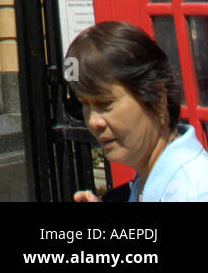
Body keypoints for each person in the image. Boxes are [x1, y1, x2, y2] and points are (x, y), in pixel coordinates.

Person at [65, 20, 208, 202]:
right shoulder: (147, 184)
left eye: (106, 103)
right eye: (85, 104)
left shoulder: (195, 192)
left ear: (157, 98)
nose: (93, 121)